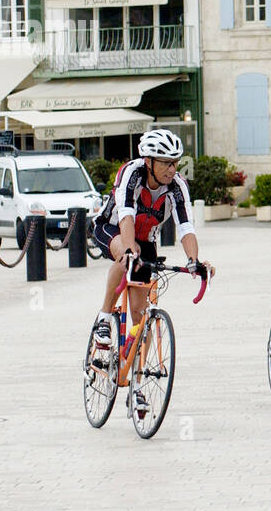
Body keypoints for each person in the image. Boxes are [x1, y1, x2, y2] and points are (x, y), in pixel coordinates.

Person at [90, 129, 214, 413]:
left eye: (175, 162)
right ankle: (104, 318)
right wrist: (131, 250)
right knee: (124, 256)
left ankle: (135, 384)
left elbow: (186, 226)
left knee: (140, 318)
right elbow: (126, 216)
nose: (173, 169)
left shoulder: (177, 185)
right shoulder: (131, 174)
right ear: (149, 161)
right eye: (166, 163)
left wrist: (194, 260)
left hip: (146, 242)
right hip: (111, 228)